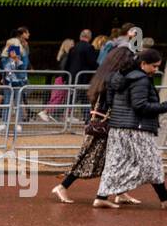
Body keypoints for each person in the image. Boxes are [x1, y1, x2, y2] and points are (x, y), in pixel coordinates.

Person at [93, 48, 167, 210]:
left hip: (117, 127)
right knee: (153, 163)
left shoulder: (119, 77)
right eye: (154, 66)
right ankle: (165, 198)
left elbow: (110, 100)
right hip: (137, 128)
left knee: (116, 163)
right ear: (143, 64)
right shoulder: (141, 80)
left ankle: (102, 197)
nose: (156, 69)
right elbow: (140, 106)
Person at [50, 45, 133, 204]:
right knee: (92, 158)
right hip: (105, 125)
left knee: (103, 158)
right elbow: (110, 102)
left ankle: (119, 191)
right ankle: (63, 186)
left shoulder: (102, 75)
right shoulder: (113, 78)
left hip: (97, 123)